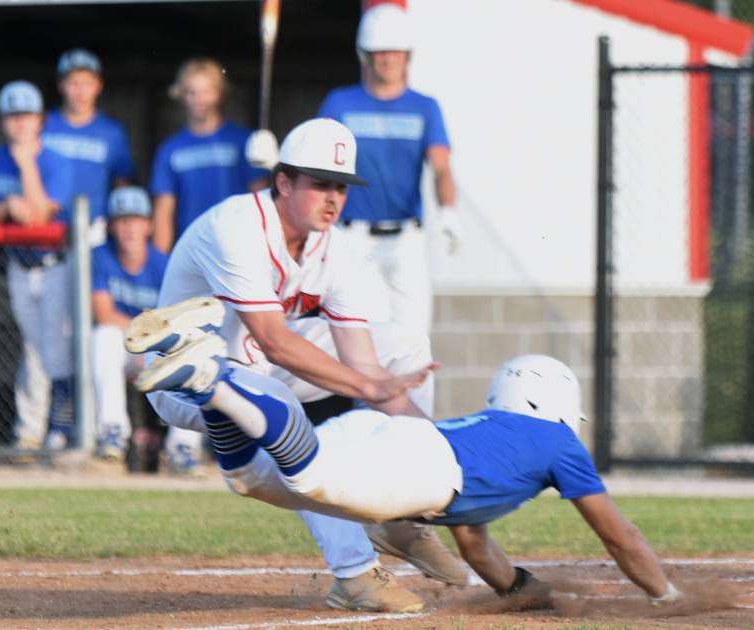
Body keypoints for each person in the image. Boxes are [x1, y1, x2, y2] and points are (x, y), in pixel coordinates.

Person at [131, 118, 467, 612]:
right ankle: (355, 574)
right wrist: (367, 388)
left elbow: (365, 365)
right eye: (319, 184)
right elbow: (274, 340)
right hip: (187, 373)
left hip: (256, 359)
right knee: (285, 409)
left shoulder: (337, 248)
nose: (333, 198)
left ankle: (400, 517)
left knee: (405, 347)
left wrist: (439, 459)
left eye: (341, 187)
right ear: (284, 182)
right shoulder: (237, 225)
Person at [134, 321, 686, 611]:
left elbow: (475, 546)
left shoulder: (492, 435)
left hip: (400, 439)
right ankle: (219, 373)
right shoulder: (559, 442)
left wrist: (523, 590)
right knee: (310, 474)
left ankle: (210, 387)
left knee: (254, 478)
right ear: (558, 404)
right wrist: (667, 595)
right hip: (418, 462)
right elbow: (621, 538)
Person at [317, 4, 459, 334]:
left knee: (414, 341)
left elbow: (441, 168)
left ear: (407, 55)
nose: (387, 59)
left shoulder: (425, 106)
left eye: (394, 51)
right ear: (364, 55)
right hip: (352, 238)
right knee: (359, 336)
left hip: (406, 240)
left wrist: (449, 210)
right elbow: (317, 161)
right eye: (378, 52)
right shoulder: (340, 103)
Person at [0, 80, 76, 450]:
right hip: (19, 266)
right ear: (3, 122)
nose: (19, 124)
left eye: (26, 116)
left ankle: (62, 429)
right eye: (13, 117)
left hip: (56, 266)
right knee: (33, 348)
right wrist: (6, 205)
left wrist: (26, 163)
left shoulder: (56, 161)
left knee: (56, 347)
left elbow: (36, 216)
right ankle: (31, 431)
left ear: (39, 121)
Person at [149, 57, 268, 253]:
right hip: (191, 251)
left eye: (206, 91)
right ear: (181, 95)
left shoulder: (244, 141)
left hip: (239, 248)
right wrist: (161, 265)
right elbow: (163, 212)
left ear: (220, 94)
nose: (199, 99)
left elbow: (261, 199)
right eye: (191, 92)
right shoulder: (170, 149)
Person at [90, 186, 168, 461]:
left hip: (157, 348)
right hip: (125, 345)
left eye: (136, 220)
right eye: (122, 221)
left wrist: (146, 352)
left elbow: (172, 324)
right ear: (111, 226)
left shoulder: (163, 263)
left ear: (147, 225)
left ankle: (184, 447)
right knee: (103, 336)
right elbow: (104, 314)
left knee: (190, 350)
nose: (129, 229)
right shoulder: (101, 255)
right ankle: (113, 432)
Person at [42, 48, 136, 248]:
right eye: (73, 83)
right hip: (47, 226)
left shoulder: (112, 132)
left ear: (98, 86)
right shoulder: (42, 125)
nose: (80, 91)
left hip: (94, 228)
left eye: (87, 83)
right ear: (61, 85)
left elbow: (121, 184)